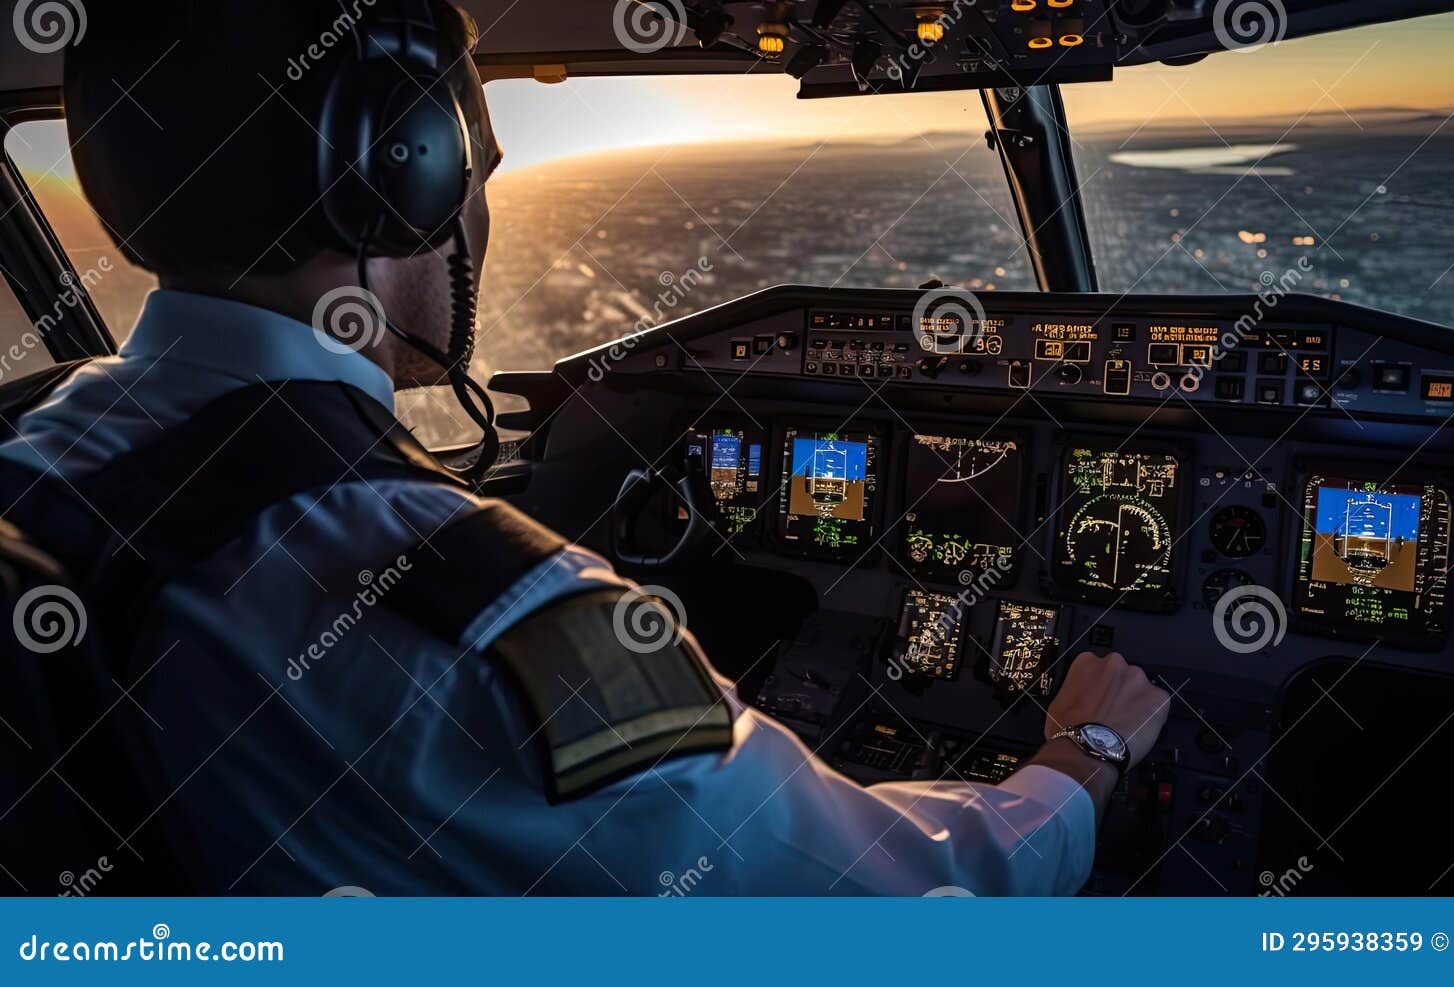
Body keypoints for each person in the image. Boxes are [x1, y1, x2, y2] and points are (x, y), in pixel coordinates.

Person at [0, 0, 1169, 895]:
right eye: (476, 170)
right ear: (405, 170)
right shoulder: (473, 612)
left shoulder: (33, 449)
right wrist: (1086, 753)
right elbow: (885, 903)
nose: (479, 211)